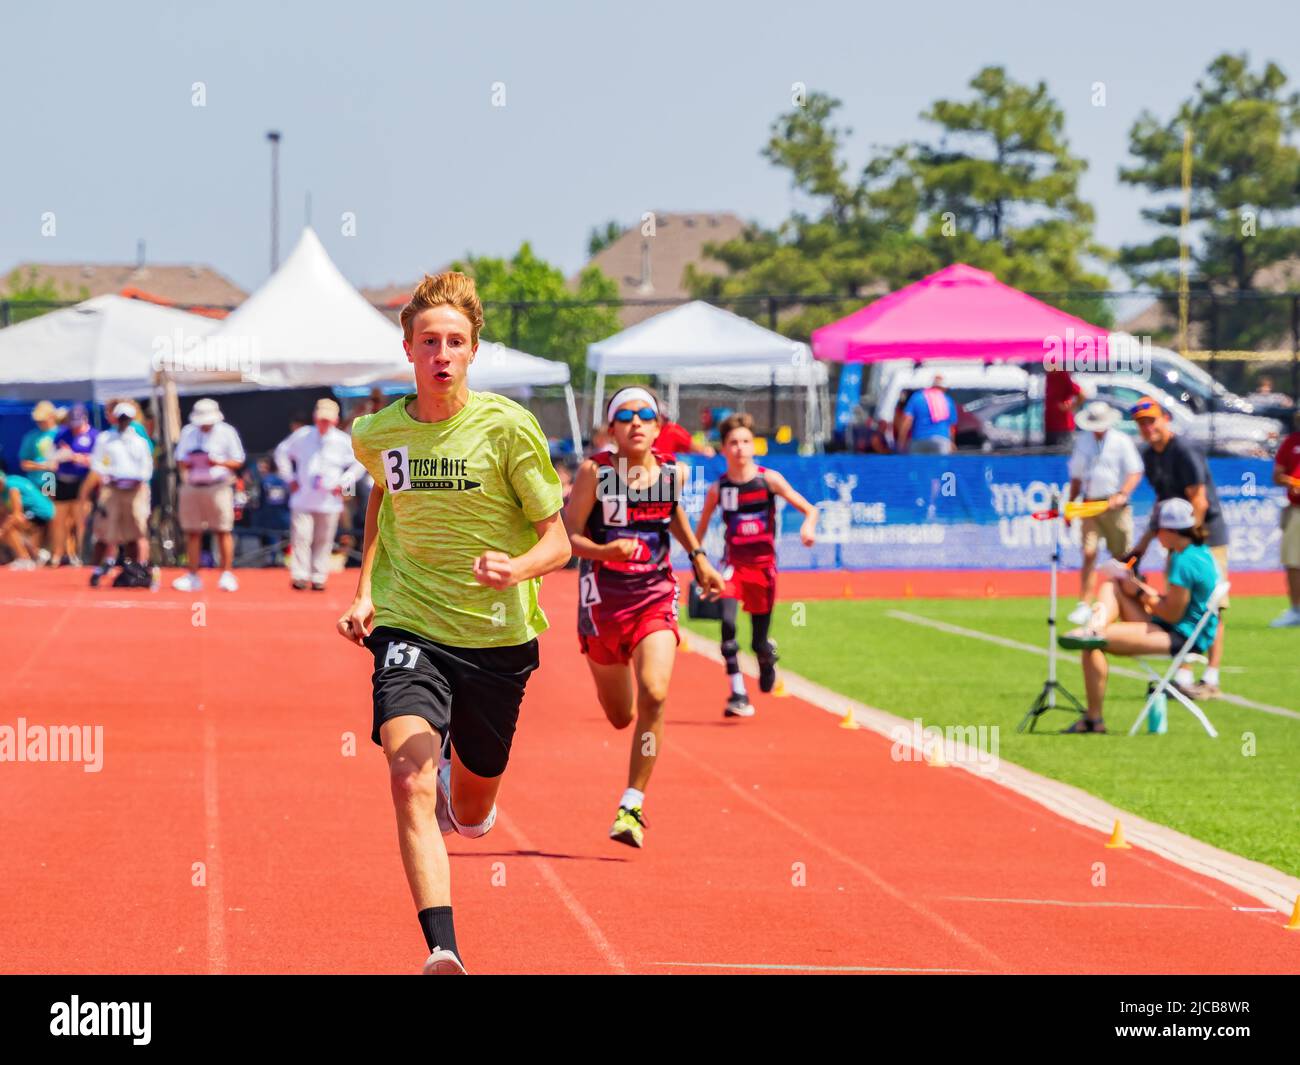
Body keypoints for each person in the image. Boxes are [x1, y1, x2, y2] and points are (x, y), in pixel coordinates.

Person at [337, 272, 571, 976]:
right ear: (407, 347)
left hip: (498, 639)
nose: (442, 353)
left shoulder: (507, 428)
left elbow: (556, 540)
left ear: (474, 351)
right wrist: (364, 590)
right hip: (410, 625)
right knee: (408, 773)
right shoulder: (378, 432)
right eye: (429, 341)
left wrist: (518, 567)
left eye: (456, 342)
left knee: (471, 808)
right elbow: (382, 499)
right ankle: (443, 946)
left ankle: (463, 798)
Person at [563, 386, 726, 848]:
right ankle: (627, 716)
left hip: (655, 593)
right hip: (602, 604)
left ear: (658, 428)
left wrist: (698, 557)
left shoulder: (670, 472)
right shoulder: (596, 472)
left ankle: (632, 804)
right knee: (621, 716)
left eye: (645, 416)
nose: (635, 422)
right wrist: (604, 550)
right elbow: (568, 538)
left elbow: (672, 515)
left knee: (655, 693)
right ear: (611, 429)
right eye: (625, 415)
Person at [1059, 499, 1222, 734]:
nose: (1156, 536)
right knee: (1114, 585)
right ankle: (1095, 626)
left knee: (1092, 643)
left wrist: (1139, 592)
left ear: (1171, 531)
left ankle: (1094, 719)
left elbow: (1172, 613)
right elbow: (1173, 607)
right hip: (1177, 628)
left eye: (1157, 531)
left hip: (1180, 637)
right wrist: (1139, 589)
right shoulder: (1198, 552)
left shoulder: (1183, 560)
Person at [693, 411, 818, 716]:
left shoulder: (768, 479)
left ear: (754, 446)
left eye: (746, 441)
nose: (740, 448)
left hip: (763, 569)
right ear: (724, 449)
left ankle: (765, 655)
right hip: (732, 566)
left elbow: (809, 509)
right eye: (733, 442)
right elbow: (697, 532)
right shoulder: (718, 489)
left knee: (757, 640)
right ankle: (738, 693)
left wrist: (807, 527)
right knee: (728, 626)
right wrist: (699, 562)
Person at [1127, 397, 1229, 699]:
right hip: (1178, 539)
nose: (1148, 428)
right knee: (1179, 607)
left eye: (1152, 420)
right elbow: (1162, 503)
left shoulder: (1183, 450)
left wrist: (1189, 542)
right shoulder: (1149, 455)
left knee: (1213, 607)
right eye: (1142, 423)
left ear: (1166, 419)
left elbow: (1199, 499)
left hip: (1205, 536)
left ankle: (1211, 677)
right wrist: (1141, 547)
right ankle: (1183, 677)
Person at [1065, 401, 1145, 626]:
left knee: (1121, 558)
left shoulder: (1121, 441)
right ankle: (1084, 604)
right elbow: (1077, 476)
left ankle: (1127, 601)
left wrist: (1122, 493)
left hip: (1114, 506)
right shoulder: (1083, 442)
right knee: (1089, 552)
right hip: (1090, 505)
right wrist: (1071, 506)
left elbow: (1135, 471)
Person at [274, 398, 364, 591]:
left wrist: (344, 483)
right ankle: (300, 575)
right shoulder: (303, 436)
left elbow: (359, 463)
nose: (324, 423)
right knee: (301, 537)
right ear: (315, 418)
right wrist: (289, 478)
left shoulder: (343, 440)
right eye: (321, 419)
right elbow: (281, 452)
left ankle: (318, 576)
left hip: (329, 500)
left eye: (328, 420)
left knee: (324, 539)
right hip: (303, 497)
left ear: (335, 420)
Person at [172, 399, 246, 593]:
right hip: (193, 485)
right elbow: (180, 459)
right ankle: (193, 575)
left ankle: (227, 574)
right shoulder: (188, 432)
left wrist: (217, 462)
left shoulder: (227, 432)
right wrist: (192, 462)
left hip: (218, 485)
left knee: (223, 529)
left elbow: (238, 460)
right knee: (193, 531)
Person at [84, 402, 154, 585]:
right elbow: (97, 463)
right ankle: (106, 564)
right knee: (108, 530)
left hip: (136, 489)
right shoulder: (105, 439)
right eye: (120, 418)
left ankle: (139, 566)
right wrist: (109, 477)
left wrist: (137, 479)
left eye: (126, 418)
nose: (123, 422)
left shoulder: (139, 441)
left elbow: (147, 467)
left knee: (138, 529)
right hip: (113, 489)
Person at [50, 404, 97, 566]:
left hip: (82, 483)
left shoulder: (94, 436)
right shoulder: (61, 434)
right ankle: (58, 554)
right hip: (62, 481)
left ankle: (80, 554)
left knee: (80, 520)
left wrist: (76, 457)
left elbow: (98, 462)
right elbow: (50, 462)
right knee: (59, 520)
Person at [1270, 416, 1300, 627]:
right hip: (1296, 509)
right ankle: (1296, 610)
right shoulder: (1292, 442)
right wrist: (1292, 482)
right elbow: (1278, 475)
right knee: (1293, 562)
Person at [0, 470, 55, 569]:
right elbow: (5, 511)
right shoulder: (5, 488)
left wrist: (2, 531)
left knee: (9, 527)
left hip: (40, 512)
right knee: (8, 525)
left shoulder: (11, 486)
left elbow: (17, 514)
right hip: (35, 512)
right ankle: (38, 553)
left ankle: (24, 558)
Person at [898, 375, 957, 454]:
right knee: (939, 466)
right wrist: (951, 442)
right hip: (941, 440)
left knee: (918, 466)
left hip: (919, 440)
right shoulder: (947, 400)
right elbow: (951, 426)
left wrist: (901, 441)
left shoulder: (918, 397)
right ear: (943, 388)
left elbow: (907, 420)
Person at [18, 400, 60, 491]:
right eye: (38, 420)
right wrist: (45, 466)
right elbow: (24, 464)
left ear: (52, 416)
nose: (39, 422)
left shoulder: (64, 433)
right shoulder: (30, 437)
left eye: (42, 419)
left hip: (62, 485)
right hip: (36, 485)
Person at [1045, 368, 1083, 448]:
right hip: (1050, 427)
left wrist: (1072, 406)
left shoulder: (1062, 375)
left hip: (1062, 429)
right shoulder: (1050, 376)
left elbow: (1081, 394)